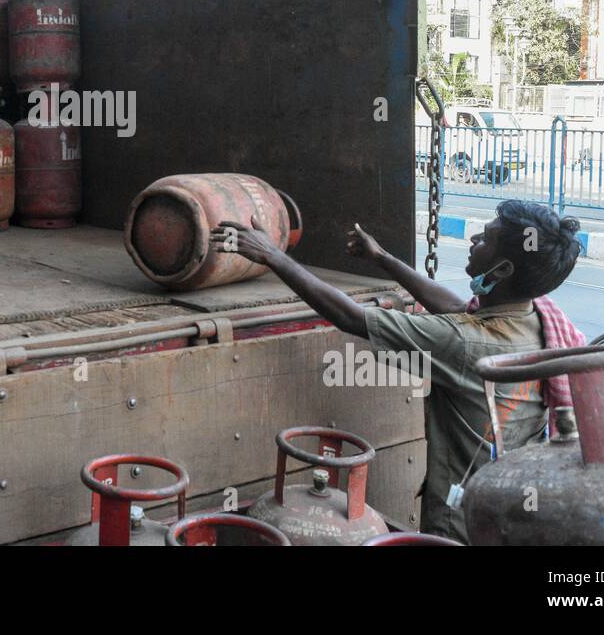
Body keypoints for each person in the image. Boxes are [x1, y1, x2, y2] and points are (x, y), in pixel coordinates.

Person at [210, 199, 583, 542]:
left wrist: (272, 255)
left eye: (485, 238)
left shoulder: (467, 343)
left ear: (502, 269)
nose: (473, 239)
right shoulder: (534, 318)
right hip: (509, 507)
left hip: (461, 522)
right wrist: (383, 257)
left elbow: (350, 317)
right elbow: (458, 311)